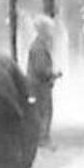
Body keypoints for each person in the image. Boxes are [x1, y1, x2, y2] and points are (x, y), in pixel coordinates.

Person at [25, 15, 63, 147]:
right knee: (44, 112)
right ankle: (43, 140)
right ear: (44, 30)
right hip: (39, 86)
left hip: (39, 85)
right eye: (50, 28)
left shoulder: (39, 45)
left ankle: (42, 139)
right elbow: (40, 69)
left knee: (42, 111)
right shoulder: (39, 47)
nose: (52, 31)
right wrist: (54, 73)